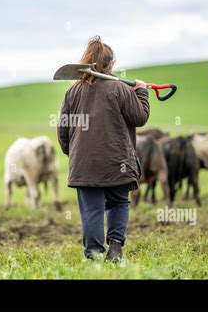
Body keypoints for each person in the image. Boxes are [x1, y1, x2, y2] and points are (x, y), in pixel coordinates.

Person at [57, 36, 150, 261]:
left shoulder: (72, 92)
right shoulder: (120, 88)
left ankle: (94, 256)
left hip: (85, 164)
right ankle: (116, 250)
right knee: (119, 202)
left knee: (92, 210)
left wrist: (76, 155)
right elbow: (140, 117)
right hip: (117, 163)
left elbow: (63, 130)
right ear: (110, 64)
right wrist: (142, 92)